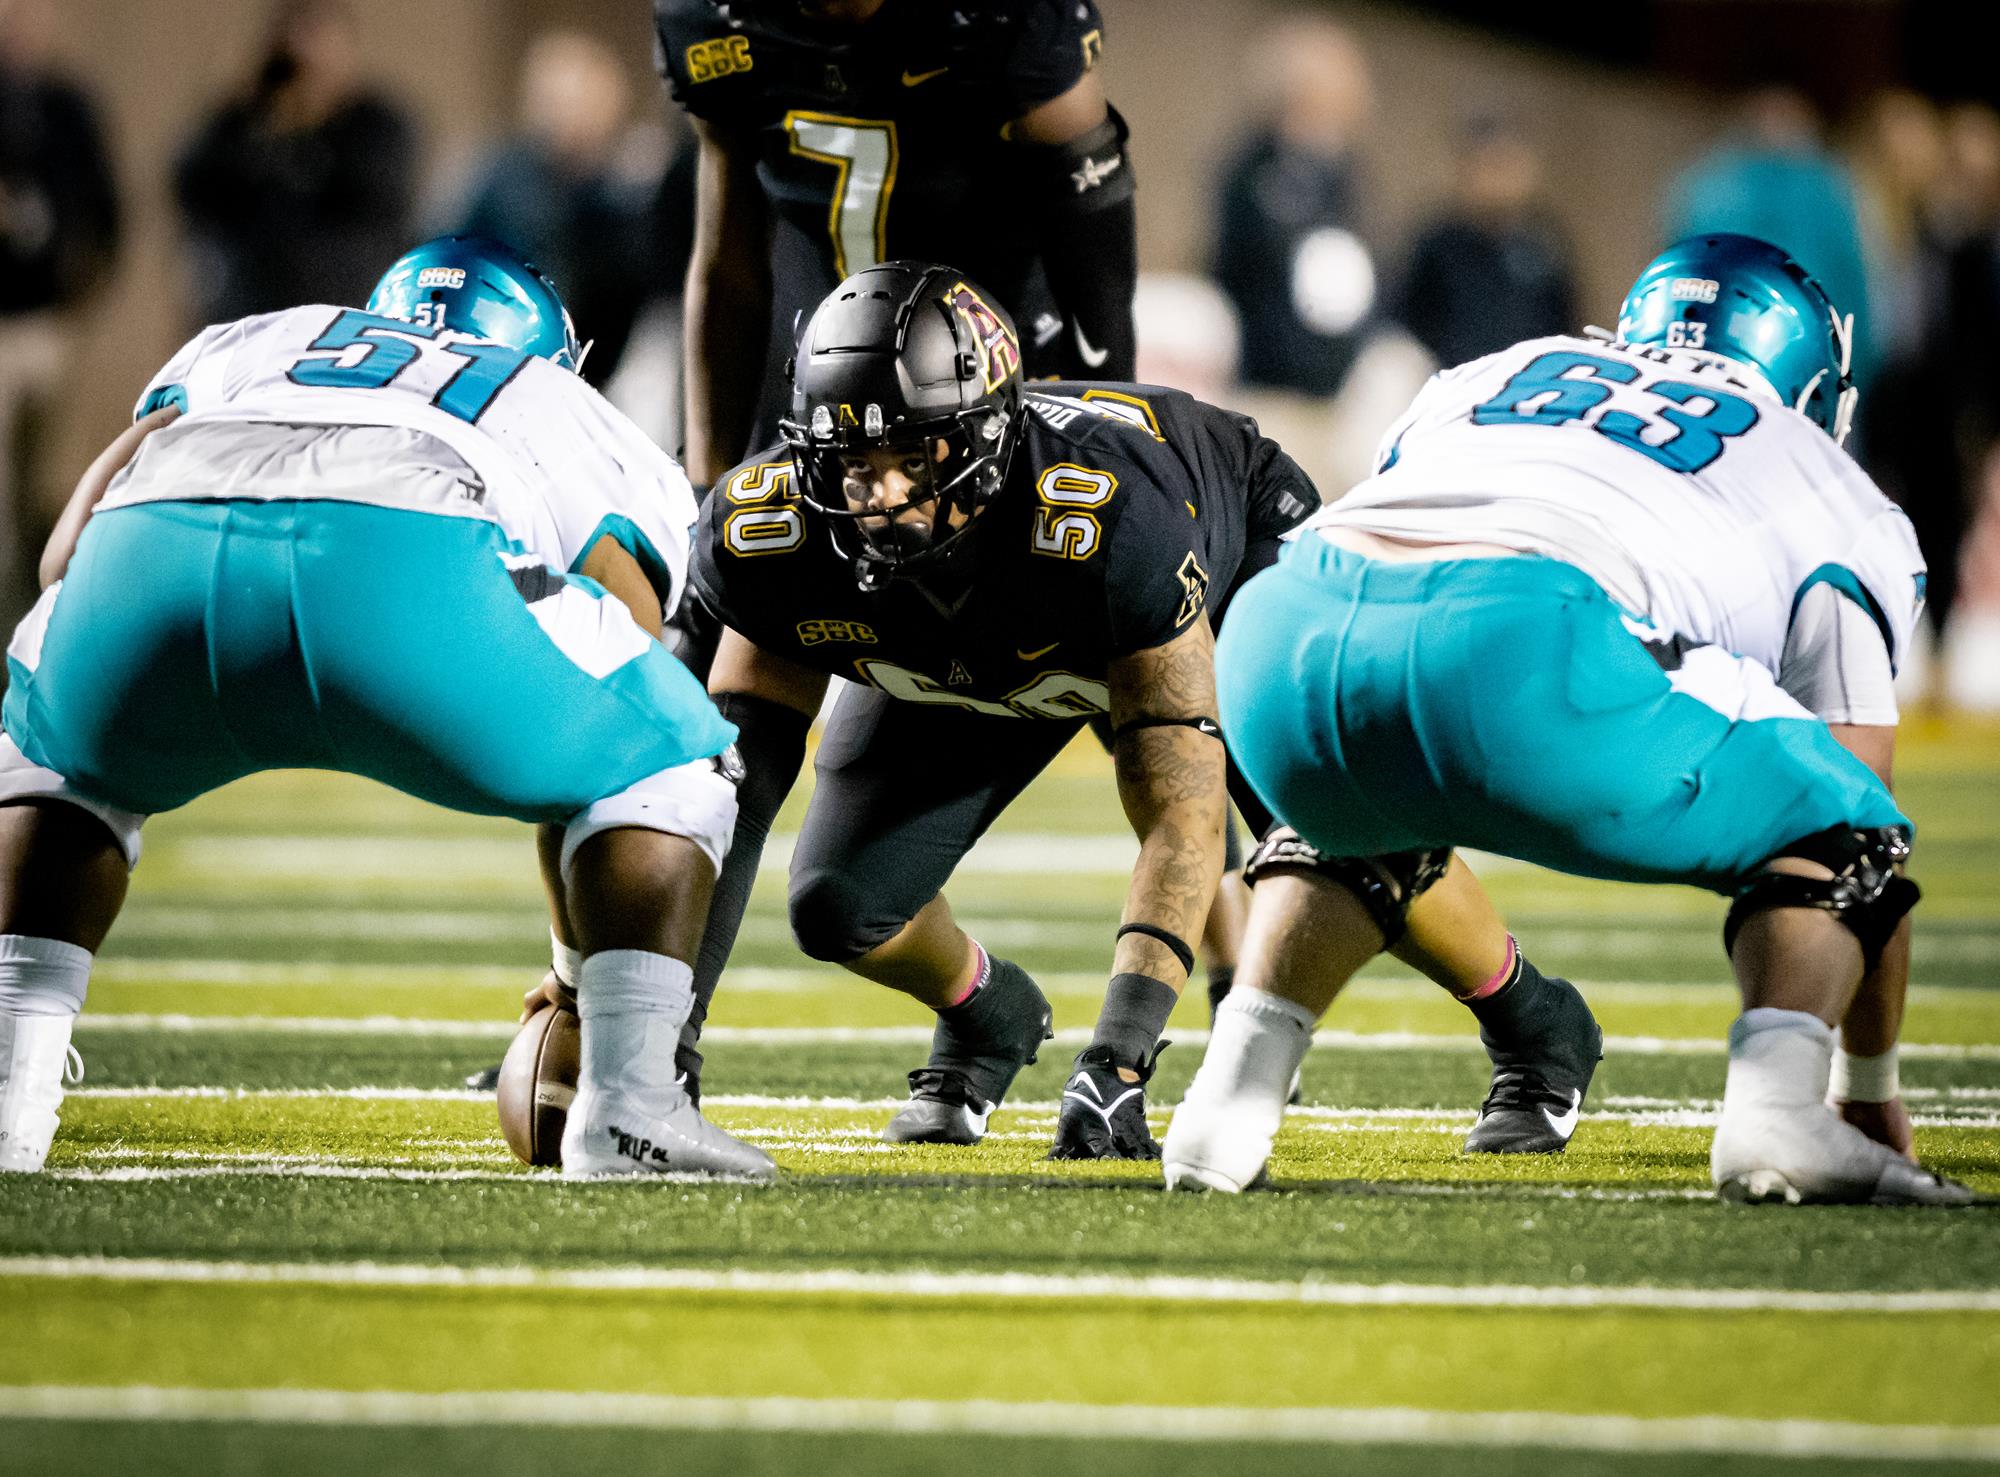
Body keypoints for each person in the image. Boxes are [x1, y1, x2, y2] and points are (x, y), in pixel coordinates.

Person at [670, 259, 1599, 1160]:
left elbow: (1182, 814)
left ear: (983, 444)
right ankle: (991, 1015)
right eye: (846, 464)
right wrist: (654, 1037)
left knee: (1337, 845)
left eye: (909, 458)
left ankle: (1535, 1021)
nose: (875, 498)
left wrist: (1118, 1057)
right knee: (843, 904)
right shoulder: (770, 535)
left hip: (1224, 553)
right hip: (987, 639)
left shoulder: (1106, 527)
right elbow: (712, 794)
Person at [1165, 233, 1972, 1207]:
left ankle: (1229, 1099)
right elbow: (1856, 801)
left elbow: (1399, 546)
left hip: (1277, 636)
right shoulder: (1823, 474)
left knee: (1368, 799)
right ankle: (1781, 1110)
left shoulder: (1504, 366)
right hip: (1519, 639)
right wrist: (1866, 1081)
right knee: (1844, 818)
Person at [0, 236, 770, 1182]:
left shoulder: (260, 335)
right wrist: (581, 972)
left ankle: (9, 1090)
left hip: (151, 566)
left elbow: (61, 559)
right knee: (680, 755)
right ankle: (633, 1106)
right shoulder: (559, 397)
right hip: (404, 571)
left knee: (42, 733)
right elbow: (629, 640)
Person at [653, 0, 1139, 489]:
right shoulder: (711, 20)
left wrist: (1107, 442)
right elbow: (728, 270)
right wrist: (706, 480)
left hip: (1009, 378)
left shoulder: (1006, 21)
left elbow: (1099, 279)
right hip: (842, 389)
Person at [173, 0, 417, 324]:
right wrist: (261, 118)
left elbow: (372, 201)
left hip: (345, 322)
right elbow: (191, 184)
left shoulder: (376, 126)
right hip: (248, 319)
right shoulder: (244, 124)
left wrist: (307, 138)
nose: (307, 58)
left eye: (319, 38)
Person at [0, 0, 120, 622]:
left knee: (45, 487)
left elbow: (105, 212)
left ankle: (34, 621)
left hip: (51, 323)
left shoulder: (65, 106)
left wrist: (82, 285)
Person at [1392, 114, 1576, 373]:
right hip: (1450, 386)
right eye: (1491, 166)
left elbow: (1565, 331)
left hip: (1523, 390)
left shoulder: (1543, 246)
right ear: (1467, 169)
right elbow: (1404, 330)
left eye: (1510, 166)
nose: (1500, 181)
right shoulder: (1439, 244)